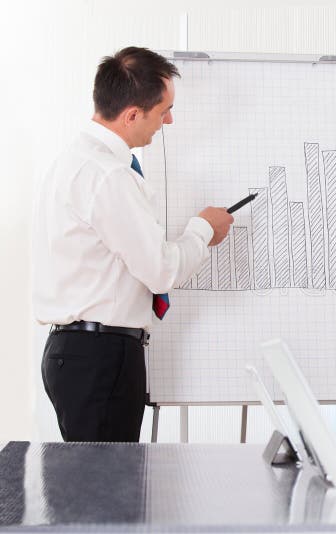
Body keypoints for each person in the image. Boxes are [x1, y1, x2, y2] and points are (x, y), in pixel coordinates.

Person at [33, 47, 234, 442]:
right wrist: (203, 230)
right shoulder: (108, 175)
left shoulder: (72, 162)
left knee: (92, 489)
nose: (169, 120)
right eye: (164, 111)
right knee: (106, 494)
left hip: (80, 353)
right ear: (131, 115)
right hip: (100, 357)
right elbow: (160, 270)